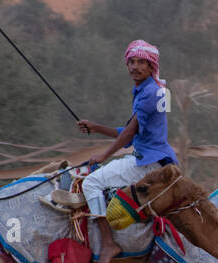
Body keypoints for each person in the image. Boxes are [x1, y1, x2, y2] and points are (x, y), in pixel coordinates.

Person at [43, 39, 177, 214]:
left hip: (148, 162)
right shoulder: (149, 89)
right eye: (131, 62)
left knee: (91, 182)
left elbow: (129, 134)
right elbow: (131, 131)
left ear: (151, 67)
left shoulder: (149, 93)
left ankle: (104, 239)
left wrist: (103, 155)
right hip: (150, 158)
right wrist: (96, 127)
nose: (135, 67)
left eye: (141, 62)